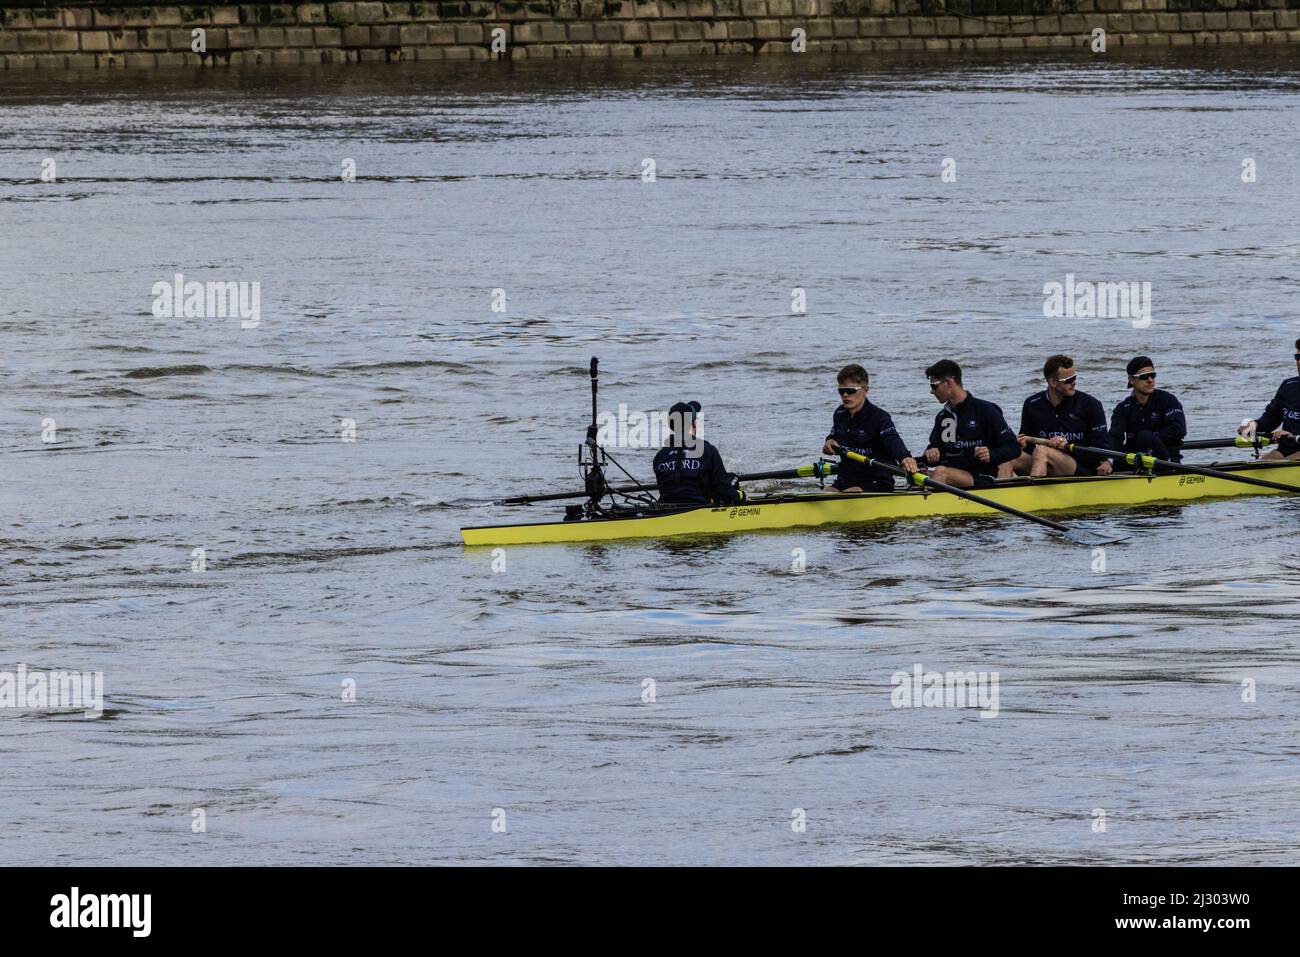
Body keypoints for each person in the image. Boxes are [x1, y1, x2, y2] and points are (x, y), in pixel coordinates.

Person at [1004, 354, 1114, 478]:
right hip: (1042, 462)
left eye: (1074, 378)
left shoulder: (1091, 405)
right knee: (1006, 456)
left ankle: (1035, 493)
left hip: (1077, 466)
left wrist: (1106, 461)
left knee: (1041, 450)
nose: (1074, 383)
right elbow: (1028, 446)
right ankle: (1001, 494)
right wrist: (1020, 445)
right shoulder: (1032, 404)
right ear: (1052, 382)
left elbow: (1101, 445)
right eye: (1068, 380)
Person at [920, 359, 1019, 488]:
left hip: (981, 475)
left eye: (934, 385)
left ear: (949, 383)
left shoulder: (986, 410)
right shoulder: (943, 417)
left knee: (941, 472)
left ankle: (928, 506)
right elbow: (937, 448)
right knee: (920, 474)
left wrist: (991, 454)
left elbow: (1013, 447)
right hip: (954, 474)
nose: (931, 391)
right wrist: (930, 453)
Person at [822, 363, 918, 492]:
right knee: (824, 495)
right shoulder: (839, 414)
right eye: (841, 390)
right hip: (846, 478)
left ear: (865, 390)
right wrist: (829, 440)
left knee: (848, 495)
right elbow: (834, 435)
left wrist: (904, 457)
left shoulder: (879, 417)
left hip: (876, 480)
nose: (845, 395)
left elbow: (892, 440)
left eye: (850, 390)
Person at [652, 401, 744, 505]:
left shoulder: (660, 456)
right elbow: (723, 493)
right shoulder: (708, 451)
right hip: (698, 511)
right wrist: (742, 495)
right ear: (693, 424)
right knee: (732, 479)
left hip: (666, 510)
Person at [1108, 356, 1187, 467]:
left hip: (1167, 462)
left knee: (1145, 436)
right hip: (1137, 460)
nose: (1150, 380)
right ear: (1131, 380)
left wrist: (1149, 439)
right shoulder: (1122, 408)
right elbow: (1115, 437)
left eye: (1153, 375)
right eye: (1144, 376)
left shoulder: (1168, 400)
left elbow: (1179, 430)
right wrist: (1107, 460)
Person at [1238, 338, 1300, 460]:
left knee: (1284, 463)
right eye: (1297, 358)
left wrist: (1293, 435)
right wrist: (1253, 426)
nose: (1299, 362)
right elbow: (1269, 420)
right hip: (1287, 450)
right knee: (1264, 463)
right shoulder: (1288, 386)